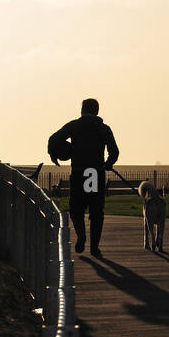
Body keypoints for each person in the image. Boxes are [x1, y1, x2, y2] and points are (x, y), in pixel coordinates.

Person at [48, 98, 119, 258]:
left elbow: (53, 139)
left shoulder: (74, 125)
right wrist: (108, 163)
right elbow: (114, 151)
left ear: (82, 110)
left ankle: (81, 234)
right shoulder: (104, 129)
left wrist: (54, 154)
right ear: (97, 111)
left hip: (80, 172)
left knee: (76, 209)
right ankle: (95, 247)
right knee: (96, 211)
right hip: (95, 173)